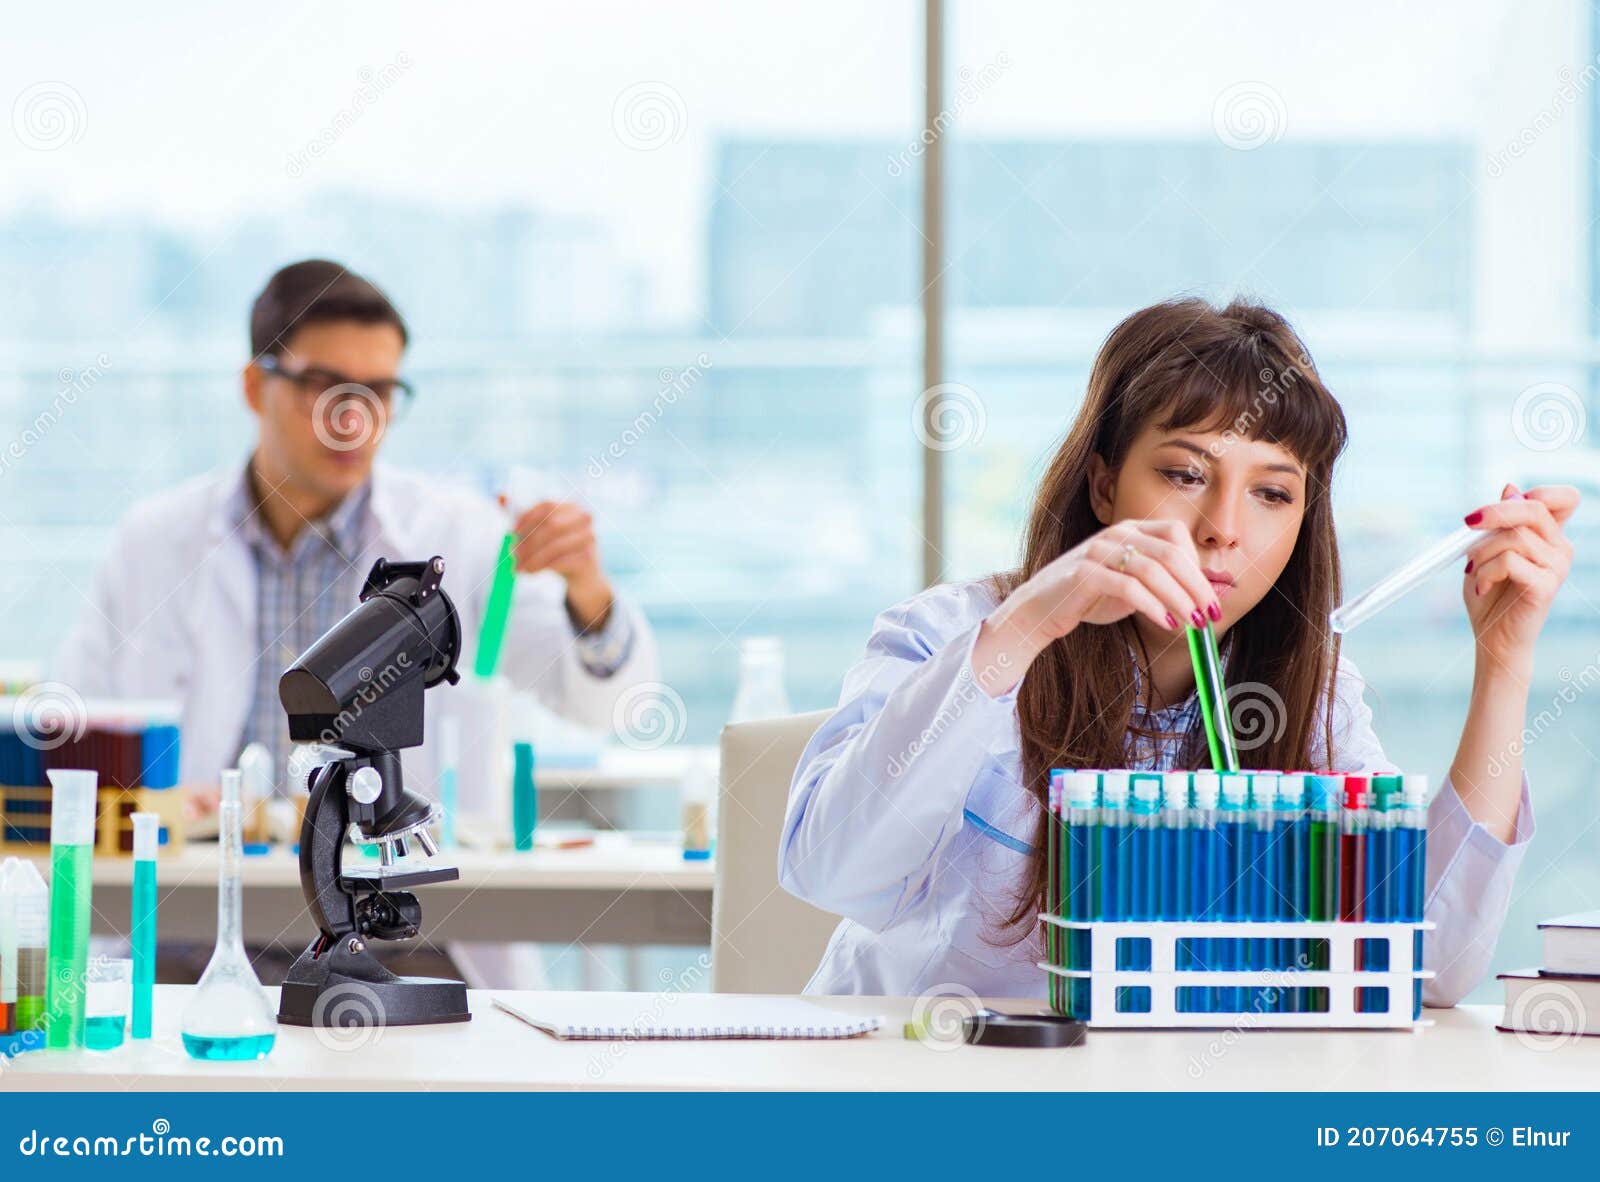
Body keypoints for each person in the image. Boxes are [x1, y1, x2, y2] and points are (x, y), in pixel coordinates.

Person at [780, 297, 1577, 1008]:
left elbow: (1424, 963)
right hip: (924, 1085)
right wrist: (1026, 627)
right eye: (1186, 474)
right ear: (1104, 487)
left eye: (1272, 493)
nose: (1224, 528)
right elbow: (831, 872)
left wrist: (1504, 660)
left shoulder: (1309, 693)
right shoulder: (955, 634)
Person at [54, 258, 659, 813]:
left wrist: (589, 594)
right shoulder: (152, 542)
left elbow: (607, 706)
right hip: (202, 882)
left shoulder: (462, 538)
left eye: (380, 392)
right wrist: (148, 802)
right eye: (325, 385)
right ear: (254, 387)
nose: (354, 419)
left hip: (396, 892)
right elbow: (73, 741)